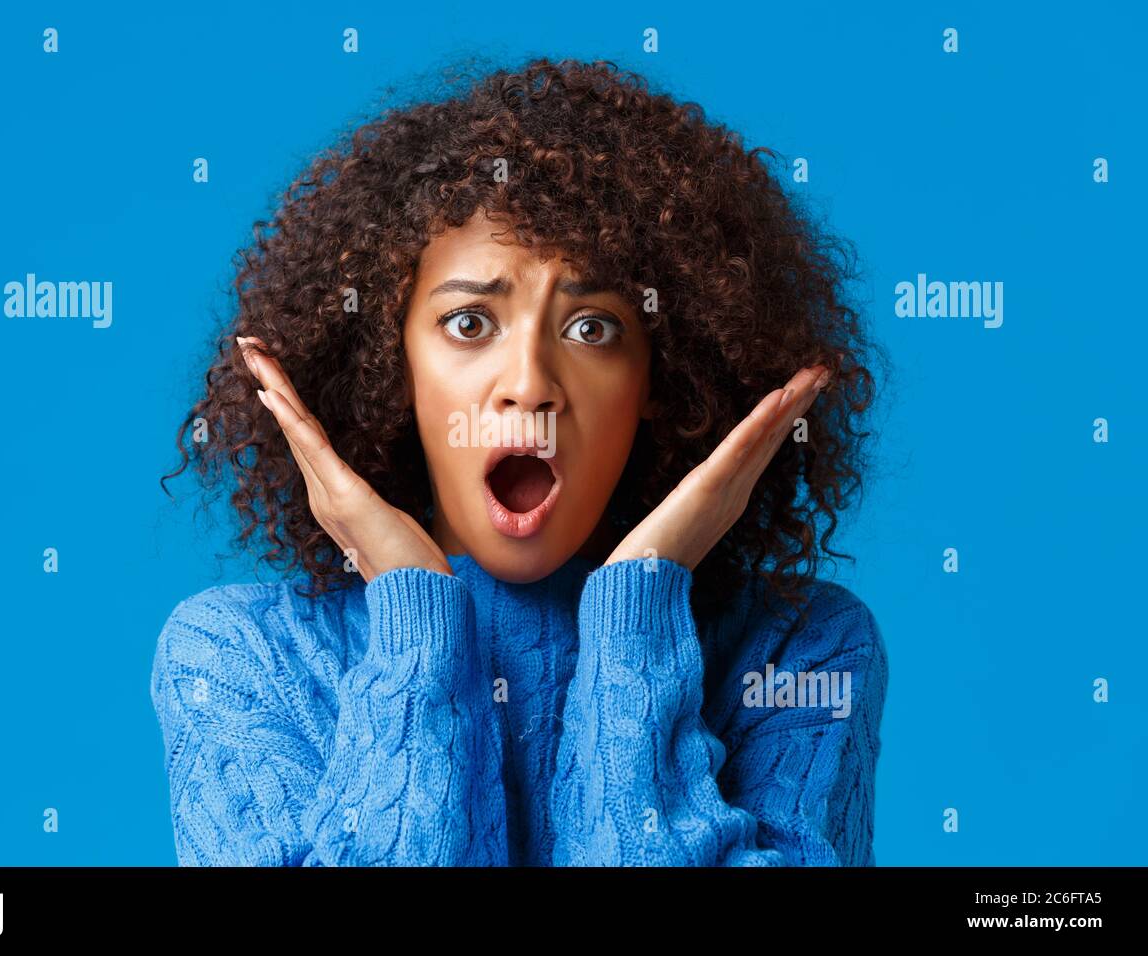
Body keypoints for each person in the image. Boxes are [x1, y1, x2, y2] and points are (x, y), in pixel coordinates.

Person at [151, 57, 888, 866]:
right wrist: (413, 620)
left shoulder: (798, 650)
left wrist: (640, 610)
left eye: (592, 329)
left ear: (661, 378)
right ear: (390, 367)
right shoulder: (236, 657)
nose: (531, 386)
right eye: (470, 324)